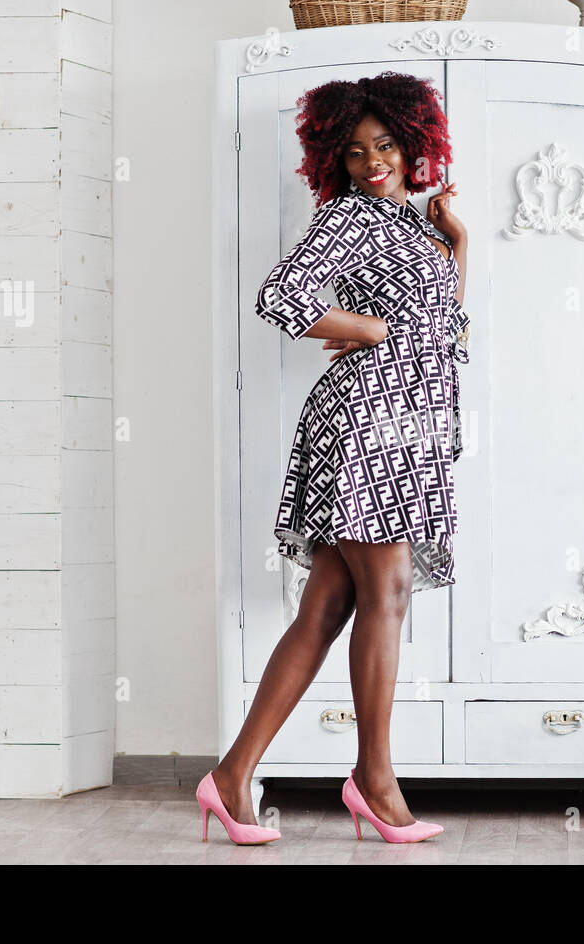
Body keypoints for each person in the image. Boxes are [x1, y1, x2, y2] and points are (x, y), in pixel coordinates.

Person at [197, 71, 472, 846]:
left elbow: (449, 328)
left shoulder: (417, 223)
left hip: (408, 425)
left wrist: (457, 242)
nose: (372, 162)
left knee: (327, 606)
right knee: (385, 590)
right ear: (335, 158)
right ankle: (375, 780)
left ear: (414, 144)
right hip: (365, 421)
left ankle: (229, 775)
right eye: (354, 152)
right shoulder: (347, 219)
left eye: (385, 146)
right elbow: (281, 297)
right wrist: (372, 331)